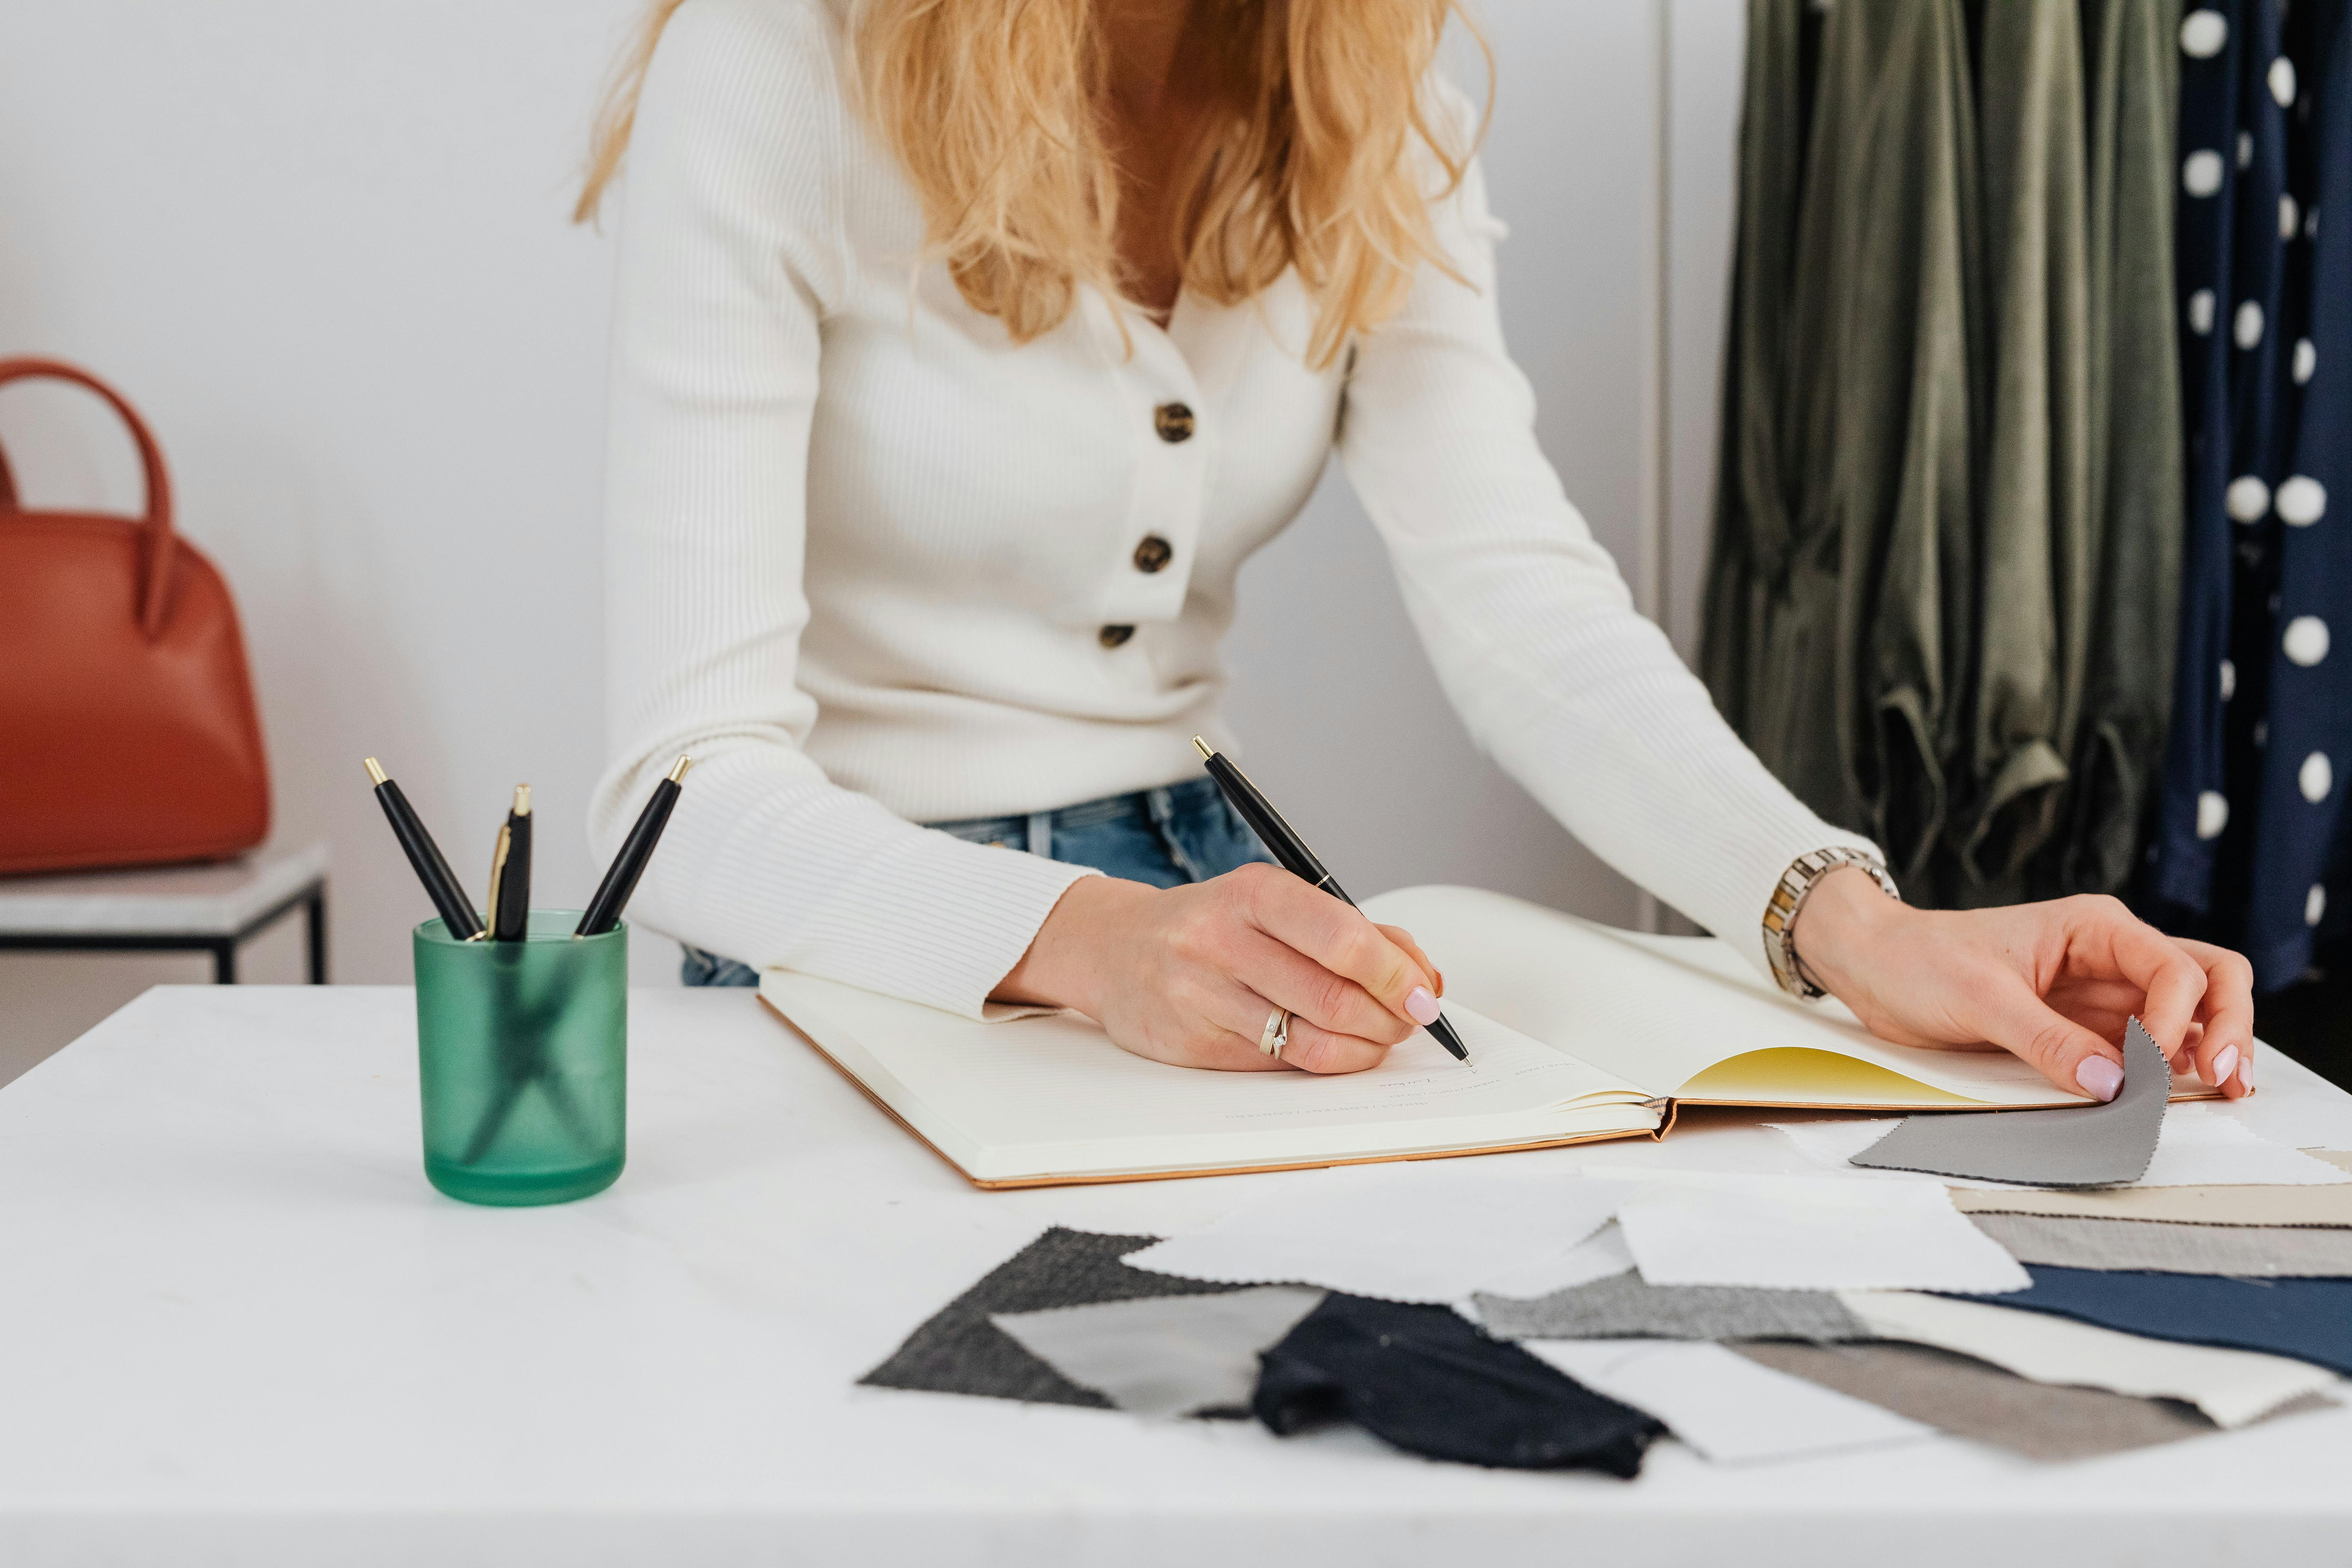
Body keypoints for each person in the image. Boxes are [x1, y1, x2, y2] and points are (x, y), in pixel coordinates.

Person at [582, 0, 2253, 1099]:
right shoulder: (775, 63)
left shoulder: (1368, 89)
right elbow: (680, 790)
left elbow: (1519, 598)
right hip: (852, 926)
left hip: (1200, 904)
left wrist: (1851, 921)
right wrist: (1090, 942)